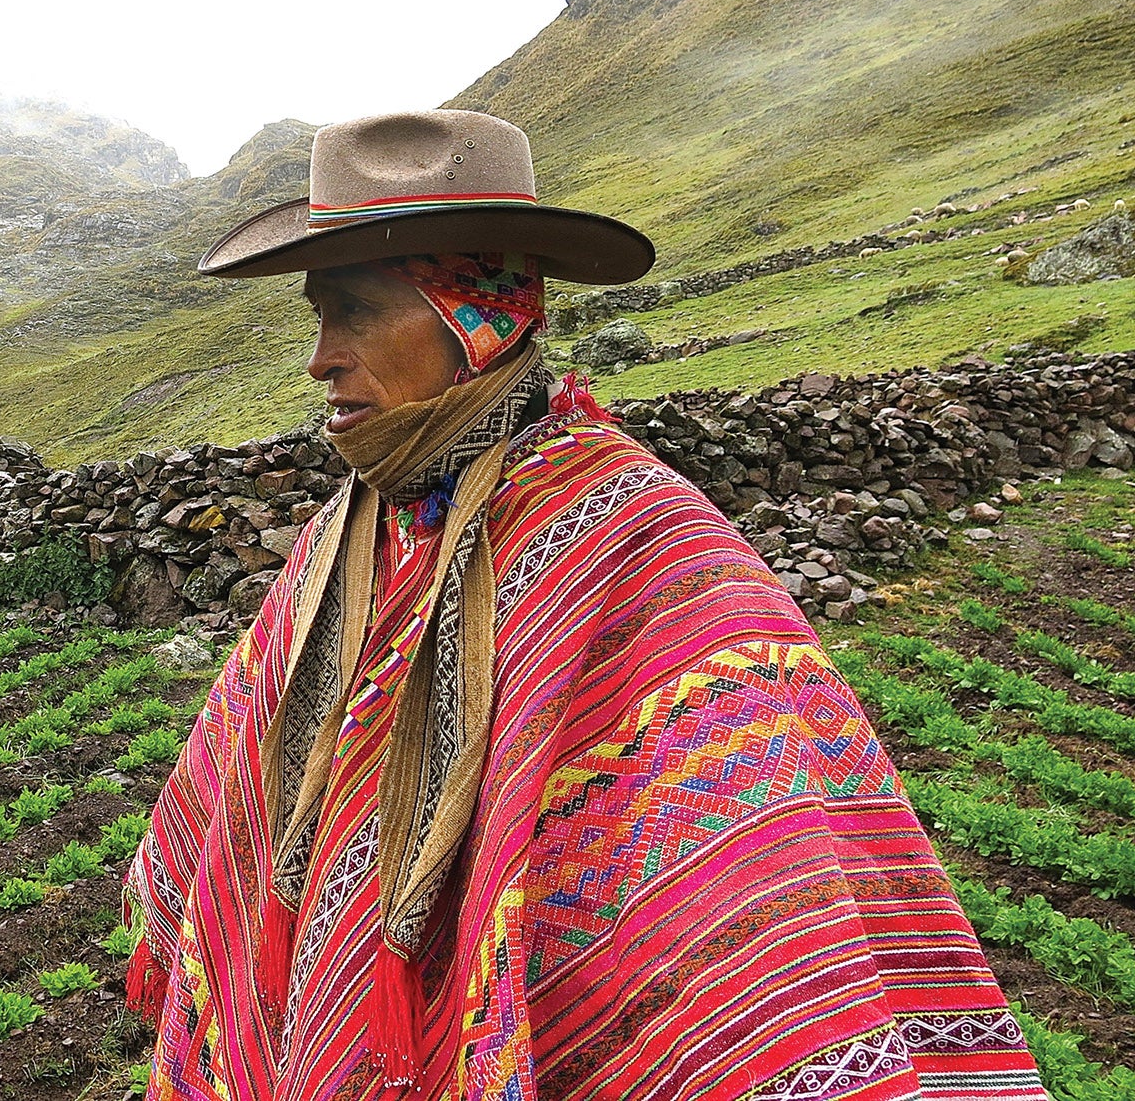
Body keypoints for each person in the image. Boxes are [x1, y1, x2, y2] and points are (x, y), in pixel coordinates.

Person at [119, 110, 1045, 1101]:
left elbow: (738, 896)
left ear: (474, 316)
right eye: (317, 316)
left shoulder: (637, 540)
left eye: (350, 310)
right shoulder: (346, 541)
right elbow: (247, 818)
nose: (320, 358)